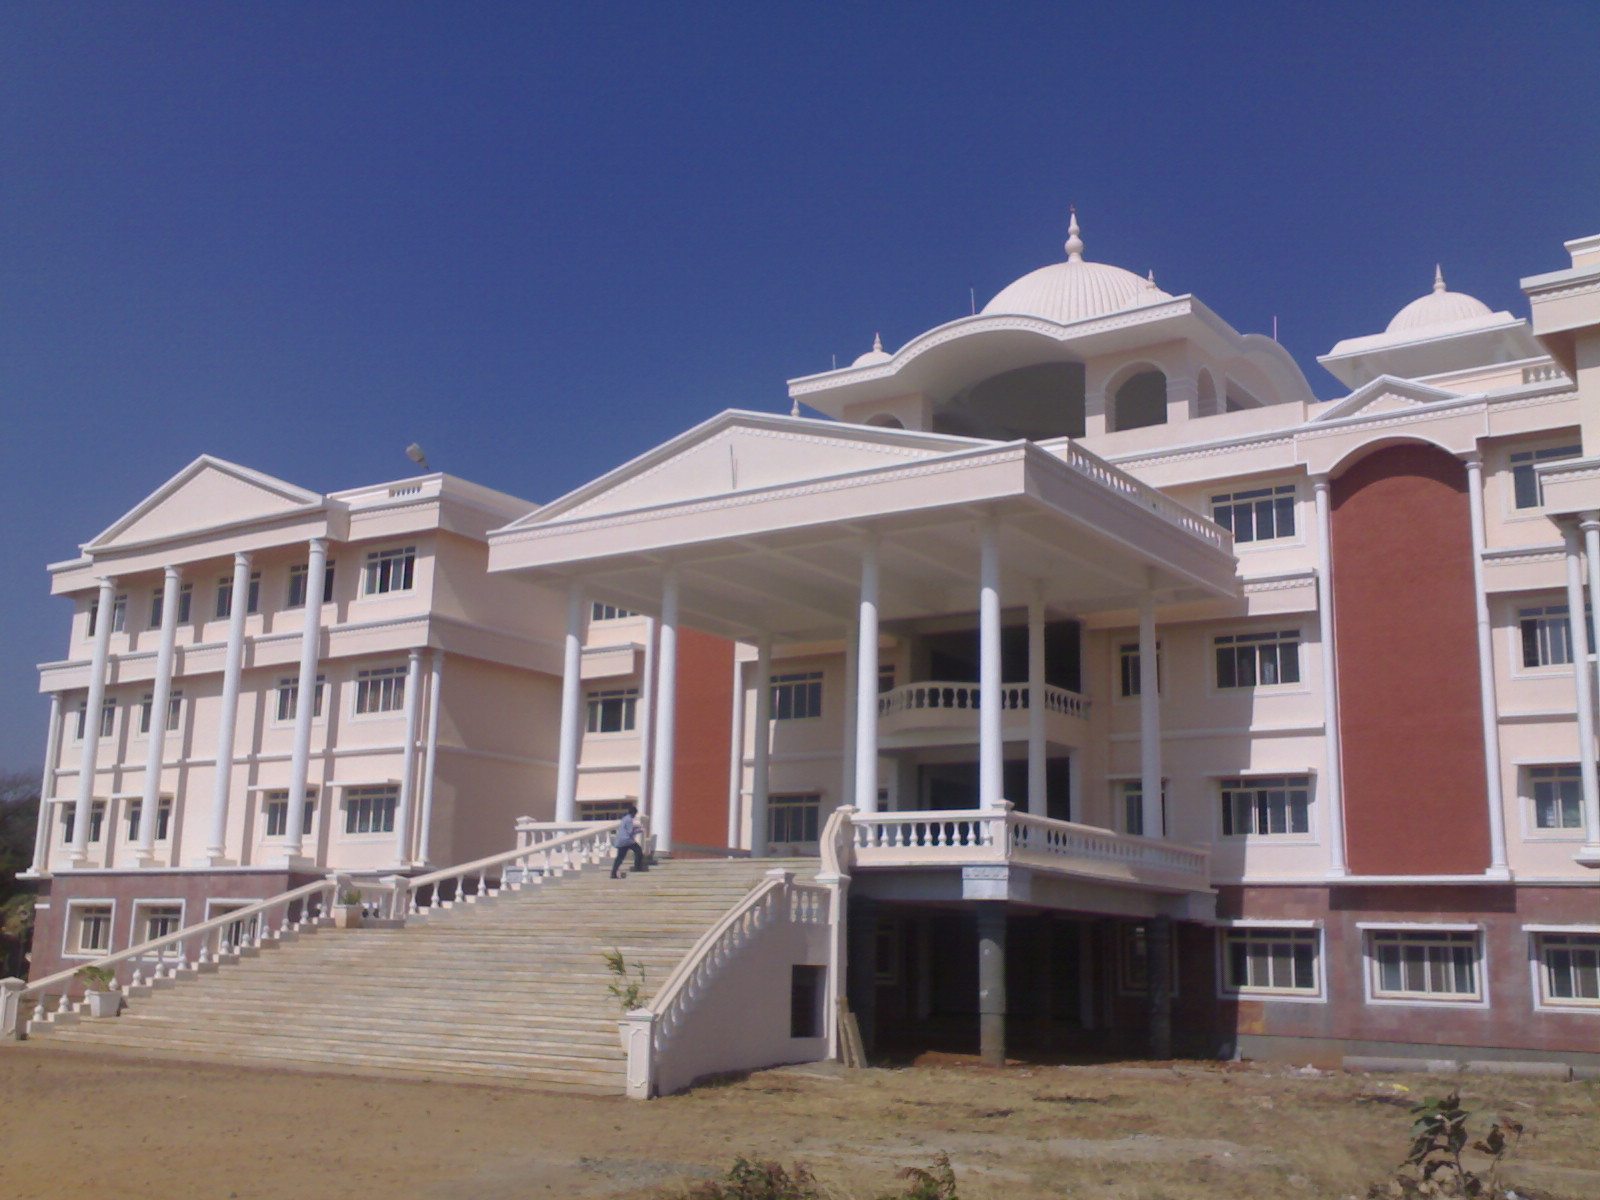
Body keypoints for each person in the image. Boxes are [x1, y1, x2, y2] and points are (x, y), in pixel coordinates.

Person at [611, 805, 645, 879]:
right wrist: (639, 830)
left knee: (619, 858)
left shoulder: (624, 818)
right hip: (627, 840)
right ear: (633, 813)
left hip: (620, 841)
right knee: (638, 851)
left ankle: (613, 873)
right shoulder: (629, 819)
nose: (635, 816)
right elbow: (630, 831)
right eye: (635, 814)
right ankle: (637, 867)